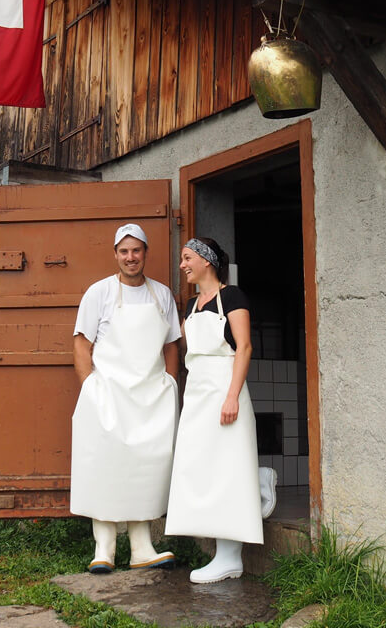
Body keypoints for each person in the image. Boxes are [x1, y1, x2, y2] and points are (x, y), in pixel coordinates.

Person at [70, 223, 181, 573]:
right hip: (108, 394)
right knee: (105, 467)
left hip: (149, 397)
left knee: (144, 469)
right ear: (115, 254)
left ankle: (142, 548)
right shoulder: (98, 293)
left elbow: (171, 344)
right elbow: (81, 344)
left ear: (145, 253)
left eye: (136, 251)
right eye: (124, 251)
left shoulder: (161, 295)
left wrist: (170, 384)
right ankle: (104, 548)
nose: (130, 257)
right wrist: (90, 387)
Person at [165, 237, 264, 583]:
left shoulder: (233, 297)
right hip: (198, 396)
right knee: (203, 469)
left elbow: (244, 347)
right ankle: (260, 490)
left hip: (225, 392)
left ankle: (230, 557)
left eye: (187, 257)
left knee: (228, 470)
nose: (183, 264)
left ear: (206, 262)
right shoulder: (192, 306)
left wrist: (232, 396)